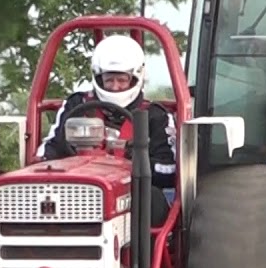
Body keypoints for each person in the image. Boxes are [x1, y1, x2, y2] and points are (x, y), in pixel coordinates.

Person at [39, 34, 177, 189]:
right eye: (109, 80)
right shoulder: (77, 105)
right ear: (98, 78)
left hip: (135, 199)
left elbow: (170, 171)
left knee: (155, 199)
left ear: (135, 78)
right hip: (77, 191)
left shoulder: (156, 116)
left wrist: (134, 159)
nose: (115, 86)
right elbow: (48, 153)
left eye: (122, 80)